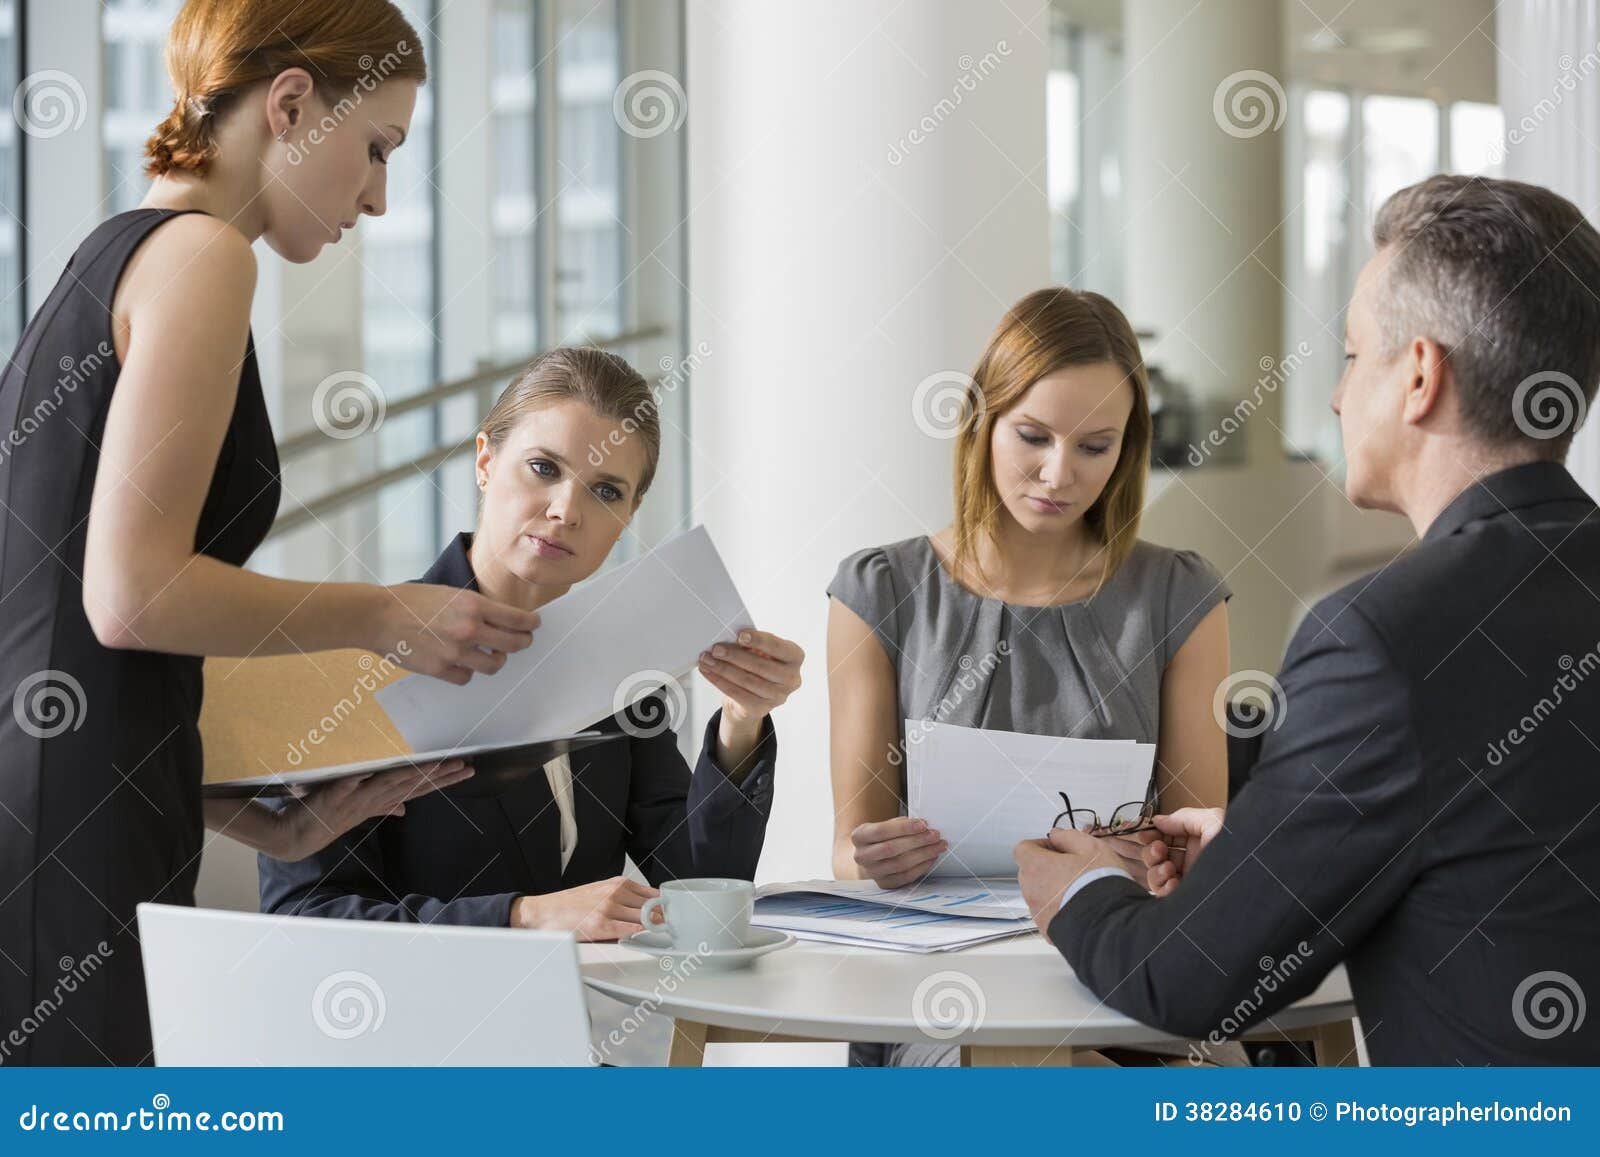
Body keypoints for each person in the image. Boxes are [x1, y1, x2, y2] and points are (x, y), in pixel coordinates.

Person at [0, 0, 543, 1066]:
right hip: (71, 844)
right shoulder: (203, 256)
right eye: (376, 148)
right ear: (290, 102)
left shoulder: (110, 258)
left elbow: (61, 623)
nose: (379, 197)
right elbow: (131, 595)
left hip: (71, 809)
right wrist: (386, 612)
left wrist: (266, 823)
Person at [1018, 174, 1600, 1065]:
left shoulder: (1380, 636)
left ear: (1417, 376)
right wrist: (1266, 842)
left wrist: (1082, 888)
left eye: (1352, 355)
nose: (1334, 395)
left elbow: (1188, 981)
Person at [260, 348, 803, 938]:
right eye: (544, 468)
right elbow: (305, 916)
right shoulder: (356, 660)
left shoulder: (618, 664)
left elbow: (701, 884)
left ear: (630, 513)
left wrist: (742, 720)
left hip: (593, 1019)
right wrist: (522, 917)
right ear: (485, 460)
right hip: (415, 1021)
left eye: (605, 491)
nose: (566, 509)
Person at [827, 287, 1237, 1066]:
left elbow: (1199, 847)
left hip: (1124, 976)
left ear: (1128, 448)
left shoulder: (1180, 595)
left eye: (1095, 445)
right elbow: (849, 852)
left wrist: (1155, 861)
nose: (1058, 473)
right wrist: (874, 857)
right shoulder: (878, 591)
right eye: (1033, 435)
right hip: (943, 993)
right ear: (980, 421)